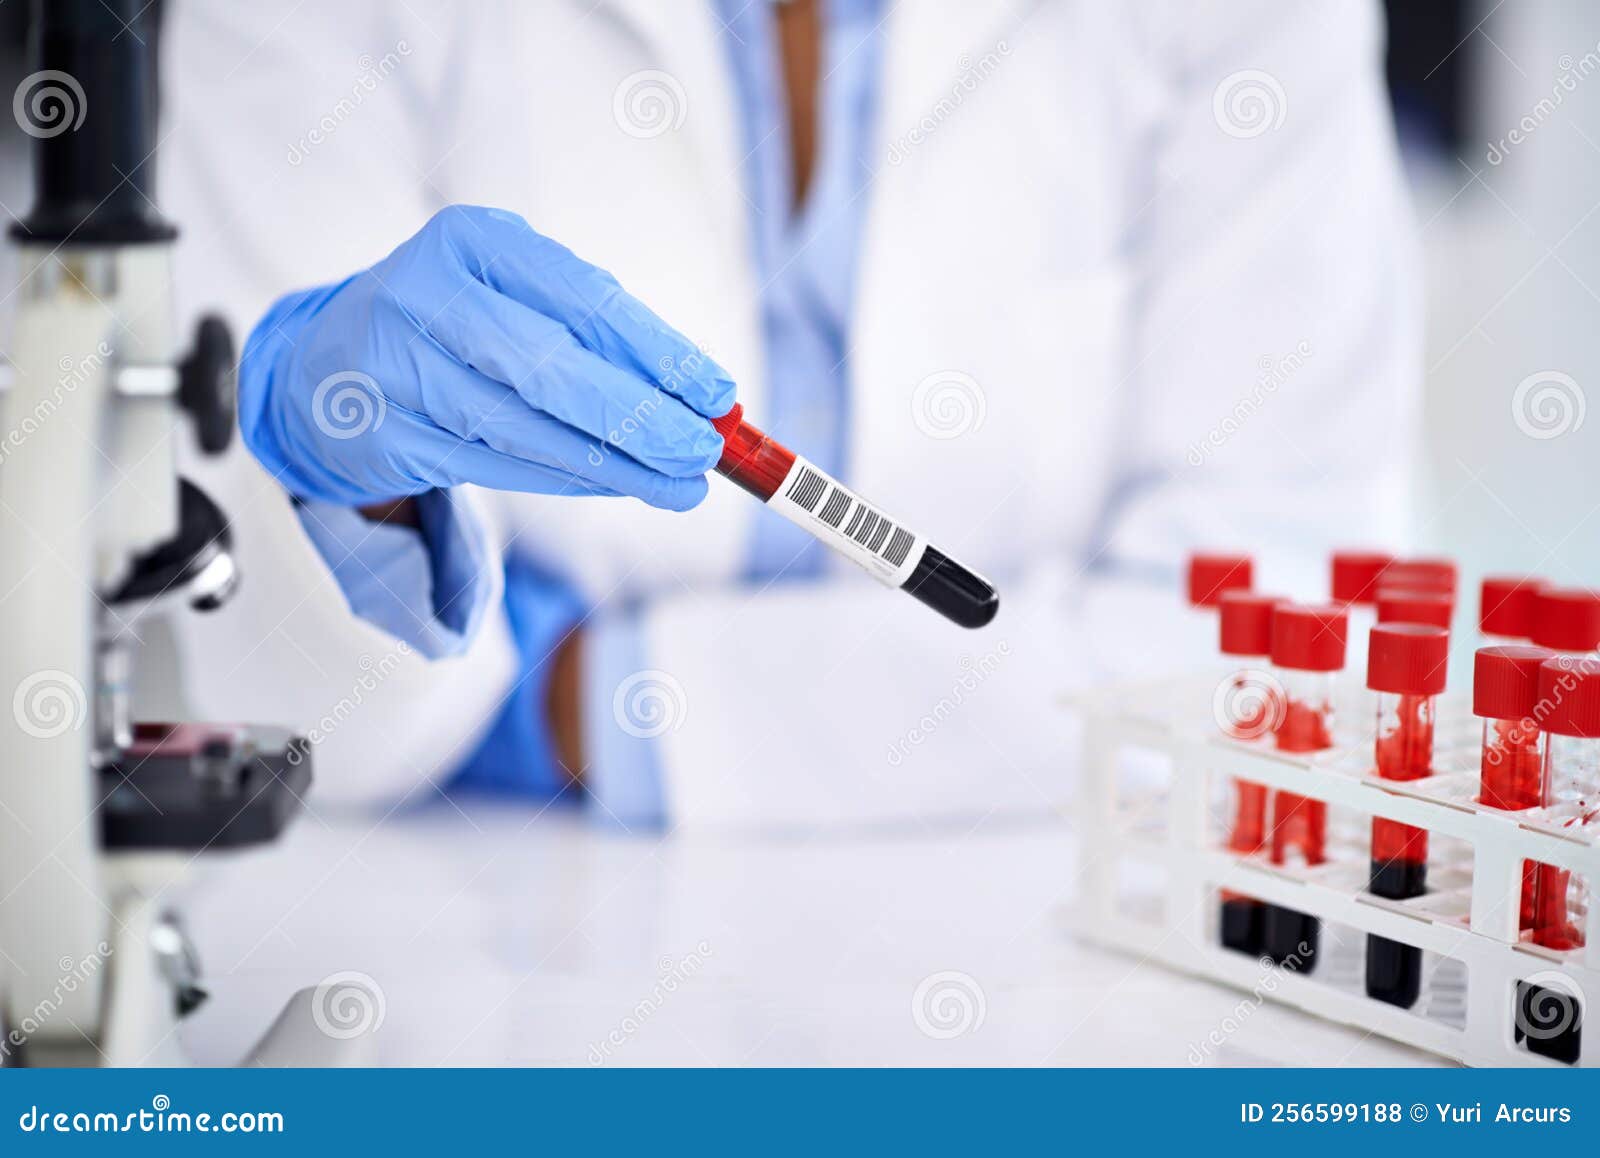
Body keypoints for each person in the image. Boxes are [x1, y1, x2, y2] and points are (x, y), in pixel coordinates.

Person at [160, 0, 1418, 829]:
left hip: (1042, 974)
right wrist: (338, 471)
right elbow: (263, 706)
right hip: (457, 965)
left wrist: (585, 692)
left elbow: (1268, 653)